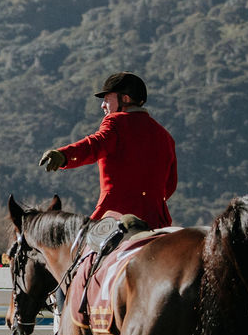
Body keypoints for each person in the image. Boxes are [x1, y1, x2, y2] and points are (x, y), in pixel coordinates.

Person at [38, 71, 178, 231]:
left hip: (116, 216)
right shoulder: (165, 135)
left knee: (81, 253)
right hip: (157, 221)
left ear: (125, 99)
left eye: (106, 100)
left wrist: (64, 155)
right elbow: (170, 184)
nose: (102, 105)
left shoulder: (116, 122)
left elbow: (95, 145)